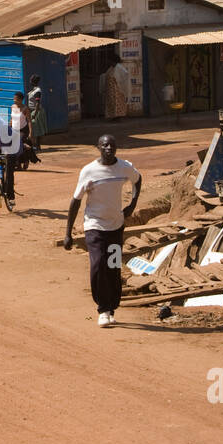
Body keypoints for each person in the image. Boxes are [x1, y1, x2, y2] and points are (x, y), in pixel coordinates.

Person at [63, 134, 142, 328]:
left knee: (113, 267)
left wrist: (132, 204)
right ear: (98, 147)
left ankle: (111, 308)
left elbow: (138, 180)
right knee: (98, 265)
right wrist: (68, 233)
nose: (109, 148)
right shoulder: (89, 171)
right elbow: (76, 201)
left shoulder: (124, 167)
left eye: (112, 146)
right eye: (105, 145)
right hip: (94, 227)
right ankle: (102, 309)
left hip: (115, 226)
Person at [102, 53, 130, 121]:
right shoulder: (111, 68)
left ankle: (118, 117)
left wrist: (120, 85)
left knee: (117, 104)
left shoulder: (119, 67)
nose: (108, 62)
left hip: (118, 90)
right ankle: (114, 116)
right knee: (112, 103)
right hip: (111, 91)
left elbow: (125, 75)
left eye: (109, 60)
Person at [27, 75, 47, 152]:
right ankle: (36, 146)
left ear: (33, 81)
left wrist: (35, 114)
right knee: (35, 128)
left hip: (36, 111)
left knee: (36, 129)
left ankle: (37, 146)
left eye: (31, 80)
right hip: (32, 111)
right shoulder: (34, 90)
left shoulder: (37, 91)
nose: (30, 81)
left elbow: (37, 103)